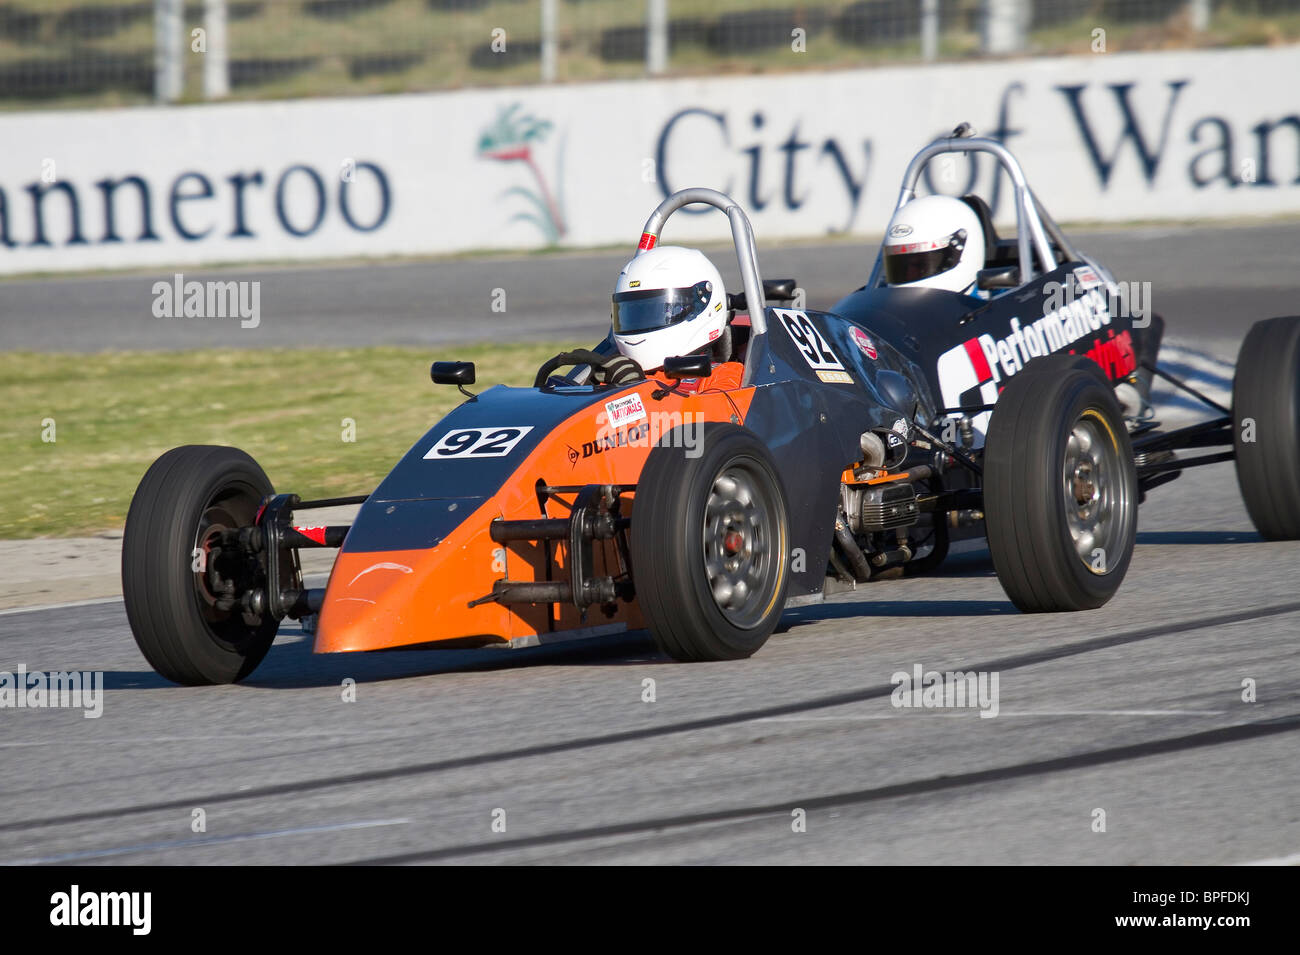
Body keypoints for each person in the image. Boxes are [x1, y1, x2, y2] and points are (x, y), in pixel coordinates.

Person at [610, 245, 742, 392]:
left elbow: (709, 412)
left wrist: (636, 386)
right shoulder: (618, 373)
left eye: (655, 310)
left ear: (702, 303)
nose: (643, 319)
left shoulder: (725, 374)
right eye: (636, 312)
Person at [881, 194, 986, 296]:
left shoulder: (991, 310)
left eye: (919, 266)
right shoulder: (883, 306)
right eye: (900, 267)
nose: (909, 273)